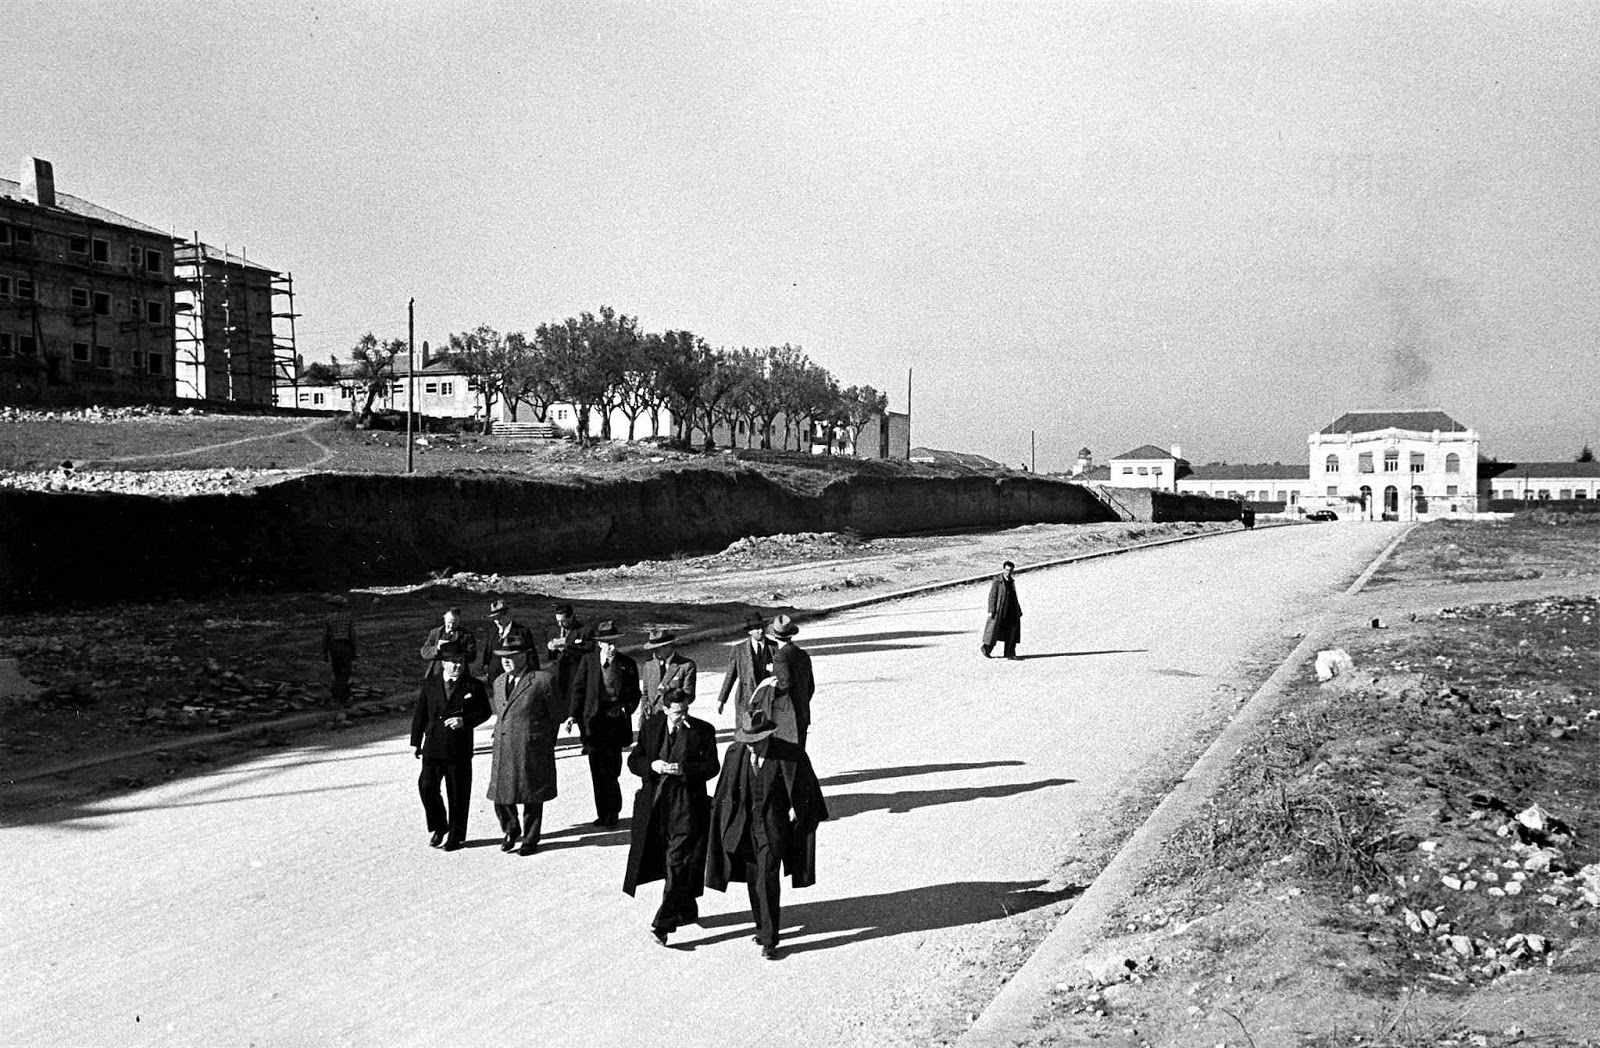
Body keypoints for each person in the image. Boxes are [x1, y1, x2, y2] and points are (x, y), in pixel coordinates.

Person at [706, 691, 828, 961]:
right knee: (753, 880)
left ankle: (771, 940)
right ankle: (761, 928)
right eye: (747, 741)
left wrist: (799, 807)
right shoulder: (736, 753)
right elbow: (724, 790)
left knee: (767, 879)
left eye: (756, 742)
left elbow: (809, 789)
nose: (751, 747)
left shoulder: (788, 755)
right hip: (744, 828)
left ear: (767, 736)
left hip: (772, 828)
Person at [623, 685, 719, 946]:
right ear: (665, 709)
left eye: (686, 710)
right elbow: (634, 760)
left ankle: (663, 924)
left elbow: (712, 767)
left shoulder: (703, 730)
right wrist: (652, 765)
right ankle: (686, 906)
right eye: (677, 712)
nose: (683, 716)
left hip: (687, 807)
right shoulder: (652, 727)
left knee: (676, 862)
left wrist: (684, 769)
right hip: (656, 806)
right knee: (667, 861)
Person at [486, 633, 567, 855]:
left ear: (524, 656)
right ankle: (511, 829)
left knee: (532, 794)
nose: (506, 659)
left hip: (531, 747)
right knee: (500, 794)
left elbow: (557, 714)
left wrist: (542, 739)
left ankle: (531, 838)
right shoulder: (499, 681)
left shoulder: (542, 680)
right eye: (502, 655)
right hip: (503, 746)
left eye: (511, 655)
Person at [409, 639, 491, 851]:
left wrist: (465, 721)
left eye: (461, 661)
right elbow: (420, 714)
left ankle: (455, 835)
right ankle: (439, 825)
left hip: (458, 748)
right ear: (443, 663)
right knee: (427, 787)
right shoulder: (431, 683)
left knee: (458, 793)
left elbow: (485, 712)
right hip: (434, 745)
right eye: (453, 662)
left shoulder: (473, 686)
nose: (457, 666)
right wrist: (415, 742)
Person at [566, 620, 640, 828]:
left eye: (615, 643)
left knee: (612, 770)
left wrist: (627, 708)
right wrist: (572, 715)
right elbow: (579, 690)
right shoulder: (588, 662)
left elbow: (635, 694)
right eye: (607, 643)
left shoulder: (627, 664)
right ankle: (603, 813)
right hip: (594, 724)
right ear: (599, 644)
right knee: (597, 770)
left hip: (615, 722)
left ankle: (613, 811)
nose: (612, 647)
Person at [767, 614, 814, 749]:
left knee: (787, 754)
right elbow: (810, 687)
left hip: (787, 715)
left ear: (775, 636)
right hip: (803, 711)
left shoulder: (780, 656)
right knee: (800, 751)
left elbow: (785, 684)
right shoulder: (803, 654)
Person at [716, 611, 772, 717]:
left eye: (762, 627)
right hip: (746, 698)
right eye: (756, 628)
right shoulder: (739, 650)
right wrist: (722, 700)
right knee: (745, 730)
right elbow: (730, 676)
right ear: (750, 631)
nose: (760, 631)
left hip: (768, 699)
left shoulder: (774, 647)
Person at [639, 628, 697, 727]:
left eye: (657, 650)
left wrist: (670, 691)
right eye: (652, 650)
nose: (654, 654)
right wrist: (642, 718)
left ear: (668, 647)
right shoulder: (649, 665)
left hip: (674, 718)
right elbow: (645, 694)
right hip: (653, 719)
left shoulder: (686, 666)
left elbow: (689, 696)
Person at [546, 602, 596, 707]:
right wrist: (551, 648)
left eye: (563, 621)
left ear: (572, 617)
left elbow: (589, 653)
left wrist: (568, 647)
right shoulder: (555, 631)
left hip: (577, 675)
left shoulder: (585, 631)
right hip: (560, 676)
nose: (560, 624)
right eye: (558, 621)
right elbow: (552, 659)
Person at [482, 598, 538, 688]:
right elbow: (487, 655)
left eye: (499, 617)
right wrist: (486, 670)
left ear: (507, 614)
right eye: (494, 619)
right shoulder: (493, 633)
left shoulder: (522, 632)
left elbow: (531, 657)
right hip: (495, 680)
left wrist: (533, 679)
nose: (497, 621)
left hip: (517, 680)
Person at [419, 606, 478, 679]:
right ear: (444, 618)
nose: (451, 626)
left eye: (455, 623)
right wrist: (437, 648)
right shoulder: (435, 633)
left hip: (458, 674)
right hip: (437, 673)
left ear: (459, 621)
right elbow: (424, 652)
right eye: (449, 622)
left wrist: (456, 652)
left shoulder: (467, 635)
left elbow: (472, 656)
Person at [981, 560, 1023, 660]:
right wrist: (991, 610)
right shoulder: (997, 581)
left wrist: (1018, 610)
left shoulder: (1011, 581)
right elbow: (992, 596)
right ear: (1003, 569)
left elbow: (1014, 597)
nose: (1008, 572)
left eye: (1010, 570)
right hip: (1000, 610)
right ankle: (986, 649)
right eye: (1006, 570)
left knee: (1012, 631)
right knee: (993, 632)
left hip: (1010, 610)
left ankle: (1009, 653)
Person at [321, 593, 357, 706]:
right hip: (345, 645)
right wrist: (354, 651)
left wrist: (324, 653)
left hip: (333, 646)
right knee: (345, 671)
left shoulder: (328, 618)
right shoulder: (348, 617)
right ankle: (336, 694)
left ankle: (343, 697)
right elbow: (352, 635)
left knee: (337, 671)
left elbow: (326, 636)